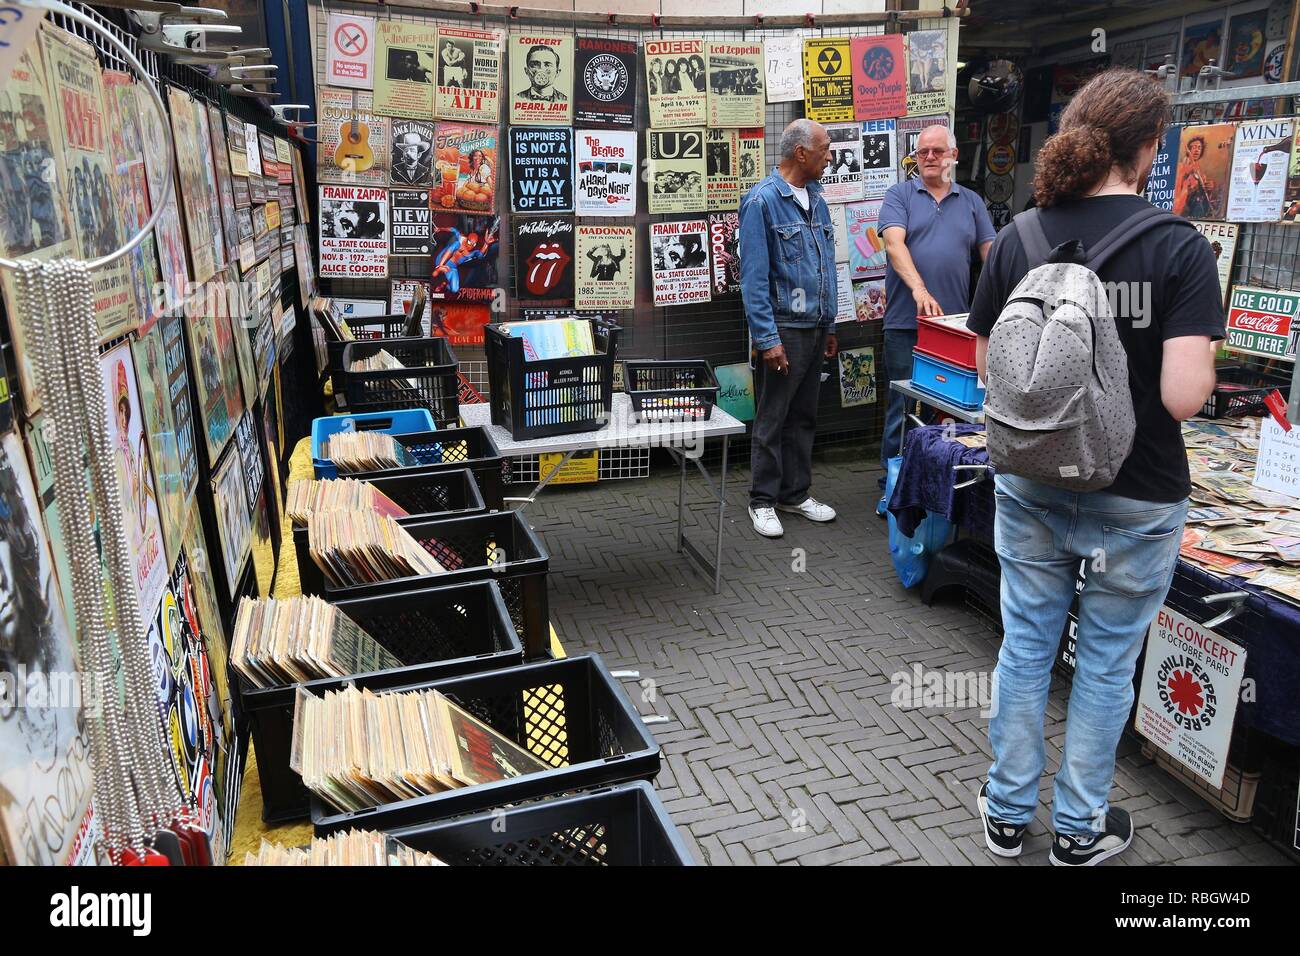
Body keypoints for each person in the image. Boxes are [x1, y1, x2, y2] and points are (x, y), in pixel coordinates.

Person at [966, 69, 1223, 867]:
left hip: (1033, 485)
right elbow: (1183, 397)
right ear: (1148, 149)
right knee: (1107, 662)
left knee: (1026, 647)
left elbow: (990, 372)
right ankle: (1079, 830)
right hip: (1137, 492)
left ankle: (1006, 814)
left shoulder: (1020, 237)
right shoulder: (1178, 246)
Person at [877, 126, 995, 511]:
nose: (929, 157)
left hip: (954, 328)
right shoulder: (900, 196)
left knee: (945, 409)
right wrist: (919, 290)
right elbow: (894, 245)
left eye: (937, 151)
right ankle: (893, 487)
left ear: (954, 155)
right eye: (922, 152)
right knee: (900, 407)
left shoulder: (973, 202)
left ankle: (934, 486)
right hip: (905, 321)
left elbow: (991, 256)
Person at [738, 118, 839, 538]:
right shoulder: (761, 202)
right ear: (801, 153)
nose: (829, 156)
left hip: (814, 327)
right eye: (824, 148)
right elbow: (754, 279)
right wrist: (767, 339)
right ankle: (762, 500)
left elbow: (826, 266)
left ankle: (795, 495)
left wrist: (829, 323)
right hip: (783, 329)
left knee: (804, 416)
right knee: (772, 418)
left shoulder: (817, 198)